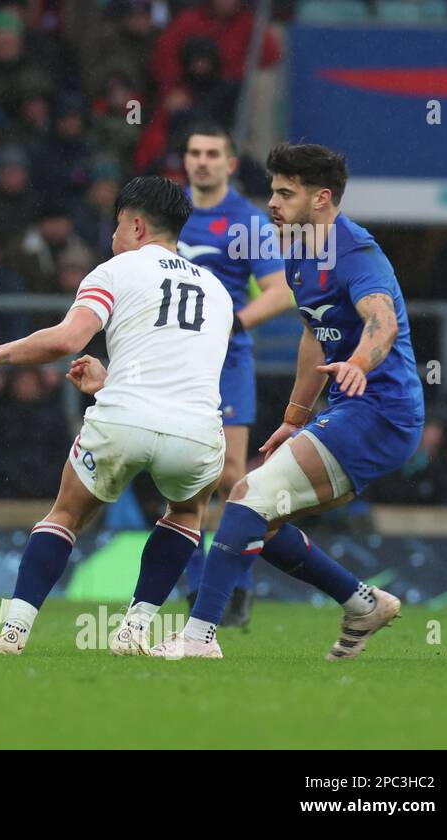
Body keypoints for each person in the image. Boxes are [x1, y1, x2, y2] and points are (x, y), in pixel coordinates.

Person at [154, 144, 424, 660]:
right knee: (265, 518)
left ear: (321, 199)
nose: (272, 203)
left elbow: (382, 322)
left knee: (247, 494)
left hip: (382, 413)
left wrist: (358, 364)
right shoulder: (299, 249)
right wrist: (293, 419)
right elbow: (313, 335)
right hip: (348, 411)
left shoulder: (356, 254)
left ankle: (198, 637)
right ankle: (362, 604)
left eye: (285, 193)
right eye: (273, 191)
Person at [0, 176, 234, 655]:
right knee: (188, 514)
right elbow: (177, 370)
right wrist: (113, 379)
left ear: (135, 224)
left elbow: (68, 339)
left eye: (115, 227)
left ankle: (14, 632)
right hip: (196, 431)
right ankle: (133, 630)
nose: (112, 238)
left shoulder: (116, 269)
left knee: (66, 514)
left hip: (122, 421)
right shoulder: (218, 292)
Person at [177, 123, 291, 627]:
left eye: (212, 154)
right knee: (179, 474)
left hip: (227, 360)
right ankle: (196, 582)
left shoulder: (247, 220)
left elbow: (279, 291)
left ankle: (236, 586)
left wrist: (230, 324)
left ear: (228, 164)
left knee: (229, 475)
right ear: (185, 161)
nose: (202, 161)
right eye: (194, 152)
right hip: (172, 361)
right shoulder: (167, 212)